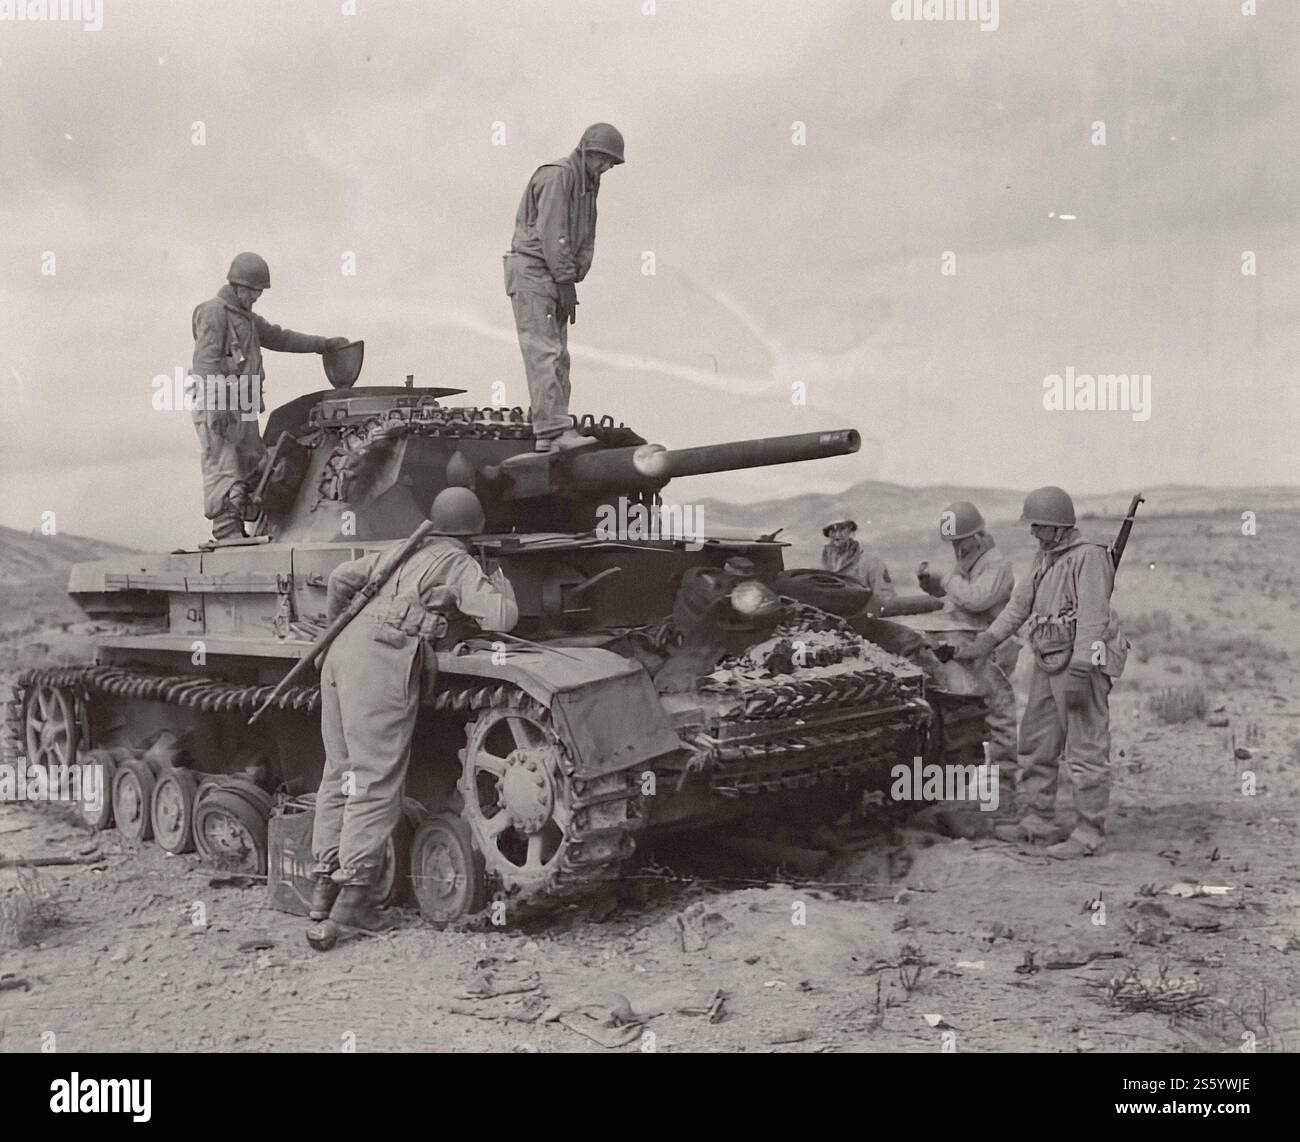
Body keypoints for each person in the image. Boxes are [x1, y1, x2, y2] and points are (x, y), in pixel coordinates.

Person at [309, 488, 519, 929]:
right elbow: (500, 618)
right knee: (374, 778)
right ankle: (354, 901)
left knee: (340, 771)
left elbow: (340, 579)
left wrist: (338, 628)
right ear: (475, 528)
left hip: (341, 652)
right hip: (382, 657)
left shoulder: (402, 550)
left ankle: (324, 885)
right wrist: (502, 586)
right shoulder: (459, 562)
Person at [955, 486, 1127, 859]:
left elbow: (1094, 618)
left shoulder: (1090, 557)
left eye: (1037, 526)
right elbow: (1019, 607)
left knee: (1085, 749)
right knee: (1036, 741)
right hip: (1050, 659)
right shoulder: (1044, 557)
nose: (1032, 532)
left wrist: (1082, 669)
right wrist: (987, 640)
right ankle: (1037, 821)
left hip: (1081, 663)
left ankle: (1087, 834)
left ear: (1056, 526)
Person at [191, 252, 349, 540]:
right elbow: (205, 363)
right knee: (224, 466)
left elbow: (281, 337)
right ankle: (226, 531)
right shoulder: (214, 312)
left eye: (259, 293)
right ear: (237, 285)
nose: (256, 298)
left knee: (255, 465)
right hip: (219, 406)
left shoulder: (247, 319)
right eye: (253, 292)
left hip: (244, 407)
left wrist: (323, 345)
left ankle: (242, 525)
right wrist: (218, 407)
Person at [503, 123, 624, 453]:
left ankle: (553, 431)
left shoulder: (587, 186)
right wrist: (565, 281)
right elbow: (554, 233)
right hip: (533, 271)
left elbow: (584, 239)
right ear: (587, 151)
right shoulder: (560, 176)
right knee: (544, 352)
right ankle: (552, 431)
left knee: (558, 356)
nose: (606, 168)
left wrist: (570, 278)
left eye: (610, 163)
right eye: (603, 160)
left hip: (553, 275)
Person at [917, 501, 1017, 809]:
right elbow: (958, 598)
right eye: (954, 541)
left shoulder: (996, 564)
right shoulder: (971, 559)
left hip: (993, 648)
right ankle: (982, 784)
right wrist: (933, 587)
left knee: (1000, 717)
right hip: (970, 645)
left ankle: (1005, 789)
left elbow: (976, 599)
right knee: (974, 714)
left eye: (961, 539)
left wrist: (946, 579)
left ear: (977, 534)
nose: (957, 546)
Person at [821, 518, 896, 611]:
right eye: (832, 531)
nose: (837, 535)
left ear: (851, 532)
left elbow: (886, 599)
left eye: (841, 529)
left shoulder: (871, 563)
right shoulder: (823, 566)